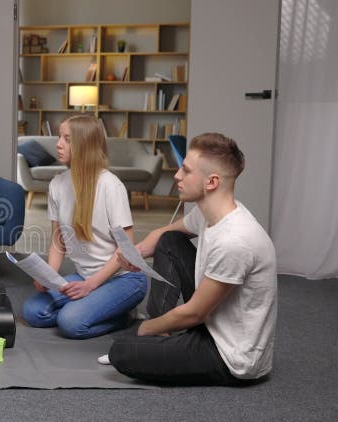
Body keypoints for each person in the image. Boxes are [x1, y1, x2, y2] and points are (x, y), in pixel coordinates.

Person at [107, 132, 277, 385]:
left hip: (231, 357)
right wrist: (136, 253)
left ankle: (156, 332)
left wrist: (143, 330)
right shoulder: (210, 212)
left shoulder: (234, 240)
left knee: (120, 352)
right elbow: (162, 234)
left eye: (186, 171)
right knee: (170, 240)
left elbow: (194, 314)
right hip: (211, 323)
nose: (177, 176)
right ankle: (161, 331)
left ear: (212, 182)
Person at [22, 115, 148, 339]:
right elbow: (58, 241)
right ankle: (97, 308)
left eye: (67, 139)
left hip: (124, 279)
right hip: (83, 276)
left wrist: (91, 286)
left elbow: (127, 250)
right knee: (33, 312)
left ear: (84, 145)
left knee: (70, 322)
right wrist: (48, 277)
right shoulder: (57, 185)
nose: (58, 144)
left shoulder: (111, 186)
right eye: (59, 137)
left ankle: (125, 315)